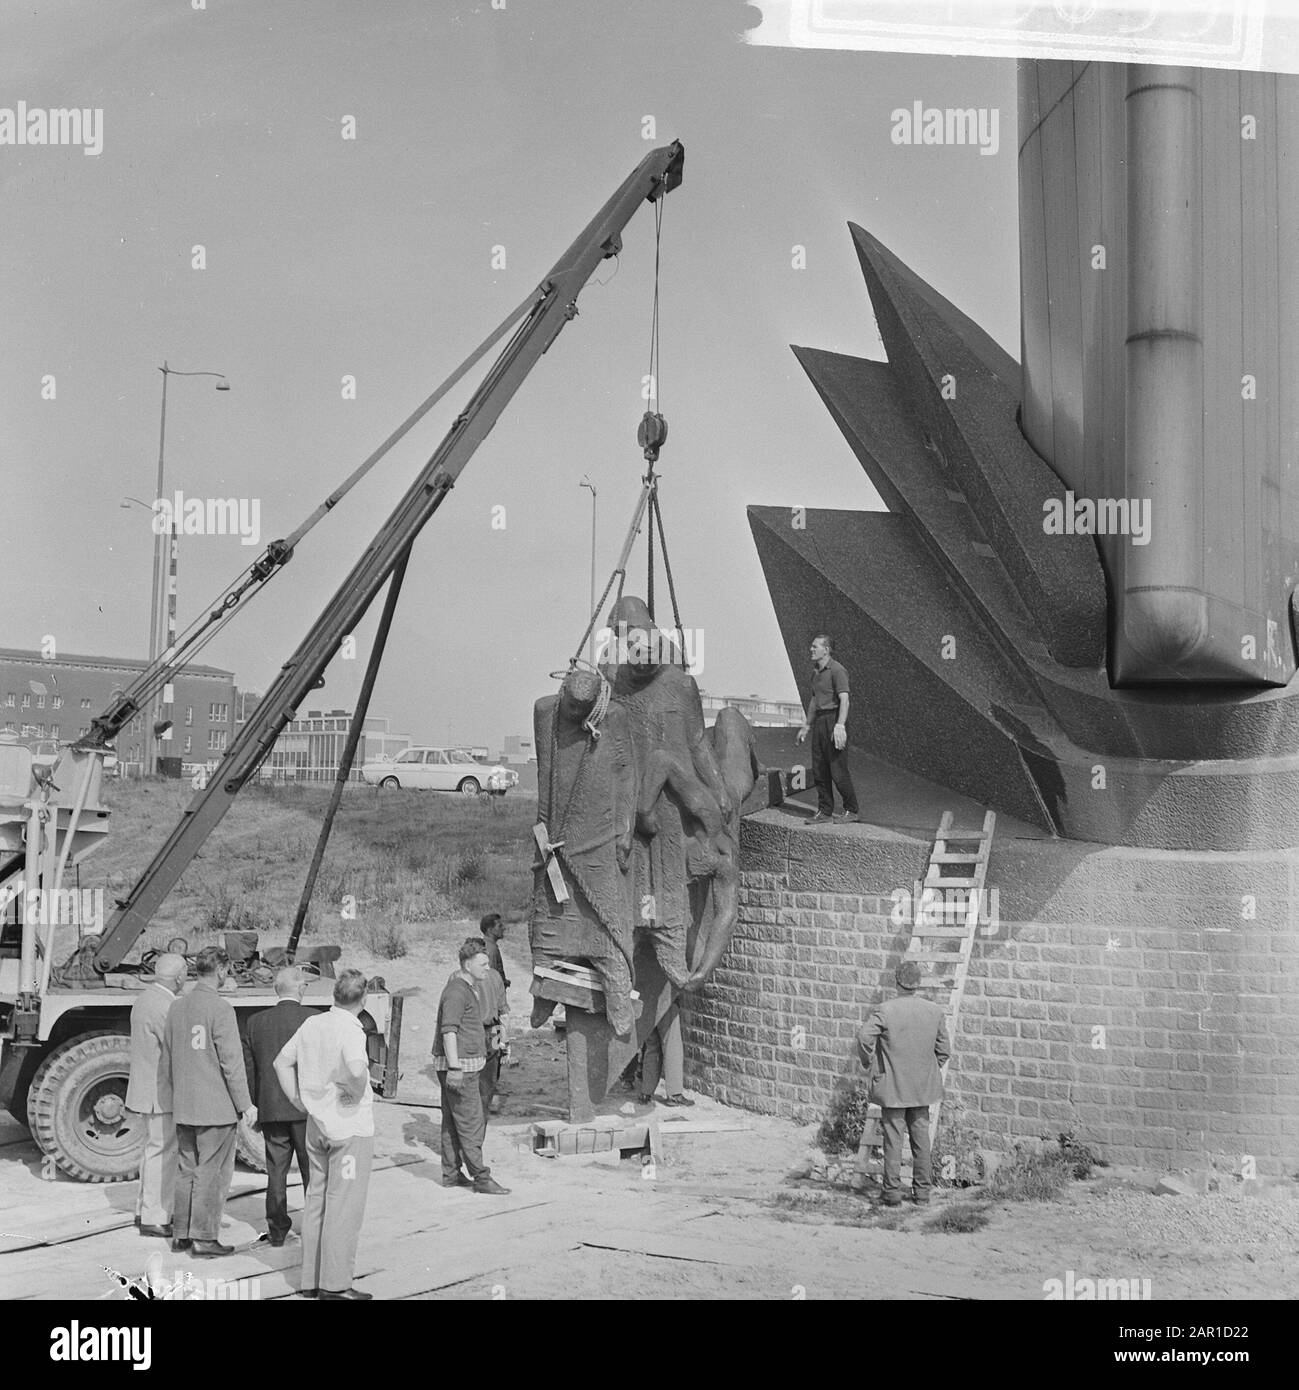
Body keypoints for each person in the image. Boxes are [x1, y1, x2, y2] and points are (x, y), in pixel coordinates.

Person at [273, 968, 375, 1300]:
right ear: (363, 998)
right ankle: (336, 1284)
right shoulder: (352, 1030)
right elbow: (358, 1069)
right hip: (349, 1128)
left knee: (316, 1200)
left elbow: (281, 1063)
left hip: (316, 1125)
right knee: (344, 1206)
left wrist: (296, 1099)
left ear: (334, 995)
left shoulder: (312, 1023)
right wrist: (356, 1091)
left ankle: (311, 1281)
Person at [158, 947, 255, 1256]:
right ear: (223, 972)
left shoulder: (177, 1007)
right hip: (216, 1108)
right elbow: (232, 1063)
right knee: (211, 1174)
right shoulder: (222, 1009)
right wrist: (245, 1105)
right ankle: (204, 1238)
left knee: (186, 1169)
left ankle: (181, 1235)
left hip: (185, 1105)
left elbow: (168, 1059)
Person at [856, 960, 951, 1206]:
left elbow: (864, 1037)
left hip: (894, 1088)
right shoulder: (934, 1011)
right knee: (921, 1142)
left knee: (893, 1141)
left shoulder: (885, 1010)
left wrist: (870, 1064)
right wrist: (926, 1071)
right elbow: (944, 1051)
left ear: (897, 982)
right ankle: (921, 1195)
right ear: (918, 984)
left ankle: (892, 1194)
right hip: (921, 1089)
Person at [242, 967, 315, 1247]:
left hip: (271, 1108)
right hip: (305, 1108)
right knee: (313, 1170)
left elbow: (251, 1070)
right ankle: (315, 1225)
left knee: (276, 1171)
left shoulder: (255, 1022)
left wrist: (255, 1105)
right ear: (300, 989)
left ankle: (276, 1232)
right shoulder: (314, 1019)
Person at [433, 938, 509, 1194]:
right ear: (467, 965)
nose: (487, 968)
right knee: (471, 1121)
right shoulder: (456, 992)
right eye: (483, 963)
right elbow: (449, 1031)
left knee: (453, 1122)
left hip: (463, 1066)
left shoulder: (466, 988)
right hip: (460, 1069)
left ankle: (451, 1174)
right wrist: (454, 1068)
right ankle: (481, 1178)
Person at [125, 952, 188, 1239]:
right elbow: (176, 1049)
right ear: (179, 977)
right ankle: (155, 1216)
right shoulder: (166, 1005)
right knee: (163, 1153)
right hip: (160, 1092)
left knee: (153, 1152)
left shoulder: (146, 997)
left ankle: (145, 1210)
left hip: (147, 1088)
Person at [795, 633, 859, 823]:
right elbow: (814, 700)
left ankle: (852, 810)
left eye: (815, 646)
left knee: (837, 770)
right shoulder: (815, 672)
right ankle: (824, 812)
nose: (811, 649)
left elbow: (844, 700)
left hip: (834, 720)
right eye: (812, 646)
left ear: (826, 649)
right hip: (820, 722)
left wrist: (840, 726)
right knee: (819, 769)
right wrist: (806, 726)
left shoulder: (837, 670)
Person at [637, 1001, 695, 1108]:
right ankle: (674, 1094)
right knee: (672, 1044)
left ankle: (646, 1092)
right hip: (665, 998)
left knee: (652, 1046)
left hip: (644, 1000)